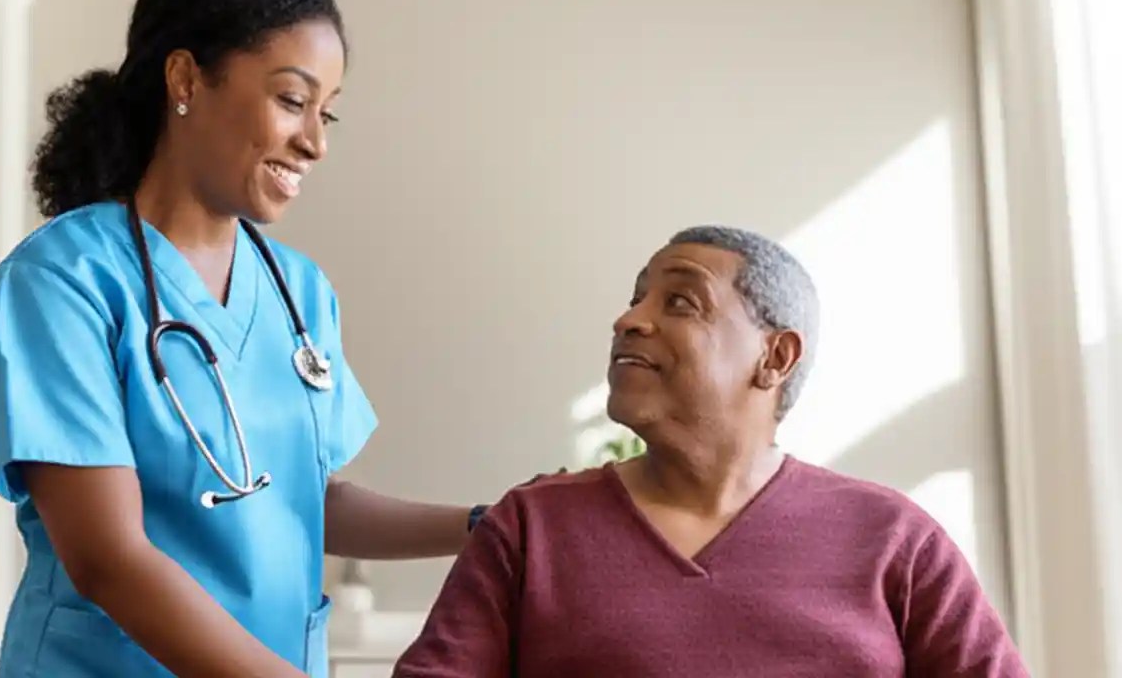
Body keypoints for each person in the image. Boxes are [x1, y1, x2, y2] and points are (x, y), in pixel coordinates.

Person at [0, 0, 490, 676]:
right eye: (292, 99)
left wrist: (483, 525)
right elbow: (107, 559)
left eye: (326, 113)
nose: (315, 142)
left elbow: (308, 504)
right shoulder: (63, 281)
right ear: (186, 80)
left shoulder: (299, 291)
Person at [393, 227, 1030, 678]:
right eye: (636, 298)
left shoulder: (895, 539)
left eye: (679, 302)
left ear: (775, 357)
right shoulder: (530, 527)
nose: (628, 320)